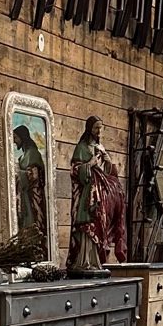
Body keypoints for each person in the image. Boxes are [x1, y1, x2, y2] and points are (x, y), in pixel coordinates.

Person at [66, 116, 128, 271]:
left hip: (100, 195)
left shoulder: (101, 147)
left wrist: (108, 163)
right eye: (96, 128)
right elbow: (74, 170)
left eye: (101, 127)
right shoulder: (82, 147)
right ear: (89, 129)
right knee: (88, 224)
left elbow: (108, 174)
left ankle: (96, 260)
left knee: (99, 223)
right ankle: (84, 260)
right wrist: (90, 164)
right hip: (87, 197)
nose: (99, 131)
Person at [14, 122, 49, 246]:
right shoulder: (24, 155)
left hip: (33, 197)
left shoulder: (32, 153)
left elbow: (34, 175)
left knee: (34, 221)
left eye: (16, 138)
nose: (14, 141)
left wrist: (18, 173)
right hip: (26, 196)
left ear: (22, 138)